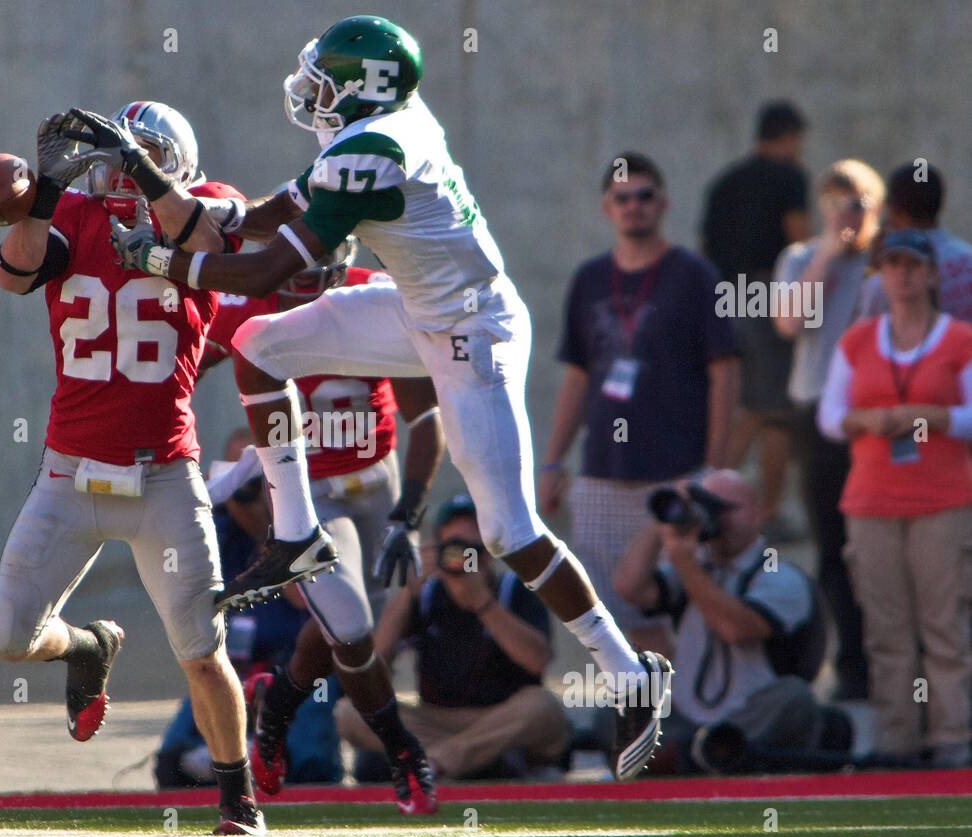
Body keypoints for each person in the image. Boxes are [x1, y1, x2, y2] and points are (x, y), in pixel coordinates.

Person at [89, 14, 673, 781]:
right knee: (261, 347)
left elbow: (263, 272)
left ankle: (629, 671)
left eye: (326, 79)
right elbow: (270, 215)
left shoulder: (375, 148)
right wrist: (182, 203)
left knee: (508, 527)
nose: (311, 90)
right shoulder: (371, 133)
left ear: (365, 89)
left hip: (472, 331)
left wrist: (165, 259)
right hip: (420, 309)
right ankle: (297, 532)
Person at [0, 101, 268, 835]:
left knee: (201, 652)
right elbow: (13, 276)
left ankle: (239, 802)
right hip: (70, 471)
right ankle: (87, 646)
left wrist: (141, 169)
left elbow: (210, 238)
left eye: (136, 155)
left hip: (164, 475)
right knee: (8, 636)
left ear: (172, 160)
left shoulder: (207, 206)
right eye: (114, 154)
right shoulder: (74, 214)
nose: (118, 170)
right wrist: (44, 193)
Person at [201, 245, 446, 812]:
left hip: (375, 486)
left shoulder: (376, 296)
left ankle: (275, 707)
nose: (300, 288)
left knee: (343, 622)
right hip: (307, 494)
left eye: (315, 272)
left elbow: (426, 420)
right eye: (291, 272)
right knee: (352, 627)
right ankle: (403, 753)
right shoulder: (252, 306)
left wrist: (407, 516)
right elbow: (182, 362)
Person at [543, 152, 739, 657]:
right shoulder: (588, 279)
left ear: (664, 204)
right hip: (602, 477)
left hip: (675, 476)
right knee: (608, 618)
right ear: (607, 208)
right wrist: (551, 462)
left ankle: (684, 719)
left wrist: (712, 469)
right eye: (622, 198)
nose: (634, 206)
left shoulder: (695, 275)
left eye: (644, 196)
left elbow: (725, 373)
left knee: (680, 606)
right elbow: (577, 377)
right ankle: (639, 719)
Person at [818, 229, 972, 768]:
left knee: (944, 626)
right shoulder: (858, 340)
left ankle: (952, 736)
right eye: (892, 265)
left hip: (943, 500)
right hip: (871, 501)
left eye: (913, 265)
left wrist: (931, 417)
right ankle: (896, 740)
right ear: (880, 274)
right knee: (887, 630)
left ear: (931, 274)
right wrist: (867, 419)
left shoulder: (959, 339)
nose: (903, 274)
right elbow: (829, 417)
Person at [613, 470, 846, 774]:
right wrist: (665, 520)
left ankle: (702, 753)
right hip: (687, 718)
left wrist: (687, 567)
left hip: (754, 716)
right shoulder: (692, 569)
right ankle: (702, 752)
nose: (716, 519)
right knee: (623, 704)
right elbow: (628, 588)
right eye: (708, 507)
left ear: (758, 513)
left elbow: (735, 629)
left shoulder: (779, 574)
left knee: (795, 699)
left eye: (728, 509)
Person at [157, 430, 341, 788]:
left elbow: (306, 600)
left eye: (255, 478)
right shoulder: (221, 532)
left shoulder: (310, 524)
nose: (247, 489)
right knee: (172, 763)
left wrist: (271, 532)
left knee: (309, 765)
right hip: (234, 665)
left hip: (295, 666)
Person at [340, 495, 570, 780]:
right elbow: (374, 664)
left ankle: (430, 761)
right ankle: (473, 761)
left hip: (500, 717)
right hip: (436, 719)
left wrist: (484, 605)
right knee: (350, 711)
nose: (462, 559)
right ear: (436, 551)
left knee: (542, 707)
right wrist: (406, 592)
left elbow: (537, 662)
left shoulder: (513, 589)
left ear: (489, 553)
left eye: (472, 551)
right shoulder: (425, 598)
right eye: (452, 549)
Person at [771, 159, 885, 701]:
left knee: (876, 545)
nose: (848, 214)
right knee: (832, 543)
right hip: (817, 412)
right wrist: (826, 256)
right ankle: (851, 665)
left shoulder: (885, 263)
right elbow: (790, 322)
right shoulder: (800, 259)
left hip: (875, 416)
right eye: (838, 201)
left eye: (858, 202)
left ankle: (890, 665)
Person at [701, 101, 811, 538]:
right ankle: (767, 514)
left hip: (726, 293)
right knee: (778, 411)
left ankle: (707, 495)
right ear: (789, 137)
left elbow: (706, 244)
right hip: (768, 294)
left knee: (748, 409)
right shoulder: (790, 177)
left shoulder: (724, 182)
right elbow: (800, 242)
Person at [855, 164, 972, 323]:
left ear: (893, 209)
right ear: (941, 205)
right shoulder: (968, 258)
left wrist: (873, 270)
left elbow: (867, 341)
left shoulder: (884, 283)